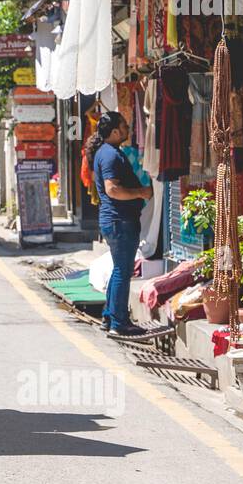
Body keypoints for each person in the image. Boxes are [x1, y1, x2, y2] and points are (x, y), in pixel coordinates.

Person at [85, 110, 153, 337]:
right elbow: (112, 189)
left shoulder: (109, 152)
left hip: (117, 220)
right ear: (114, 131)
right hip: (120, 221)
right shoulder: (111, 155)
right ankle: (118, 322)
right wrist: (141, 193)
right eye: (124, 126)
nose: (128, 129)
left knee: (119, 270)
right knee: (122, 271)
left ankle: (110, 316)